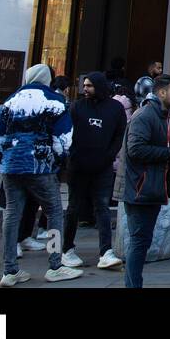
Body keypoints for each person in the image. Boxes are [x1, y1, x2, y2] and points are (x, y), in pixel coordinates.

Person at [0, 63, 81, 285]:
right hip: (40, 164)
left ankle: (9, 269)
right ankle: (55, 264)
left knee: (11, 214)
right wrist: (59, 160)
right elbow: (64, 137)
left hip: (11, 164)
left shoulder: (10, 101)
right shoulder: (55, 101)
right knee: (55, 211)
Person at [122, 74, 170, 288]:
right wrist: (169, 153)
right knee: (139, 243)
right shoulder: (146, 115)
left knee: (142, 242)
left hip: (149, 188)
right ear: (161, 92)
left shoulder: (161, 115)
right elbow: (135, 149)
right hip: (141, 189)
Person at [61, 72, 126, 270]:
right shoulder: (77, 107)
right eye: (85, 86)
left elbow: (119, 135)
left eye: (89, 85)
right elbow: (68, 132)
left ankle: (105, 250)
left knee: (102, 207)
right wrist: (72, 156)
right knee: (74, 207)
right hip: (79, 166)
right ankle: (66, 248)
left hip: (102, 166)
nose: (85, 89)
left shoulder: (115, 108)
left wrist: (108, 156)